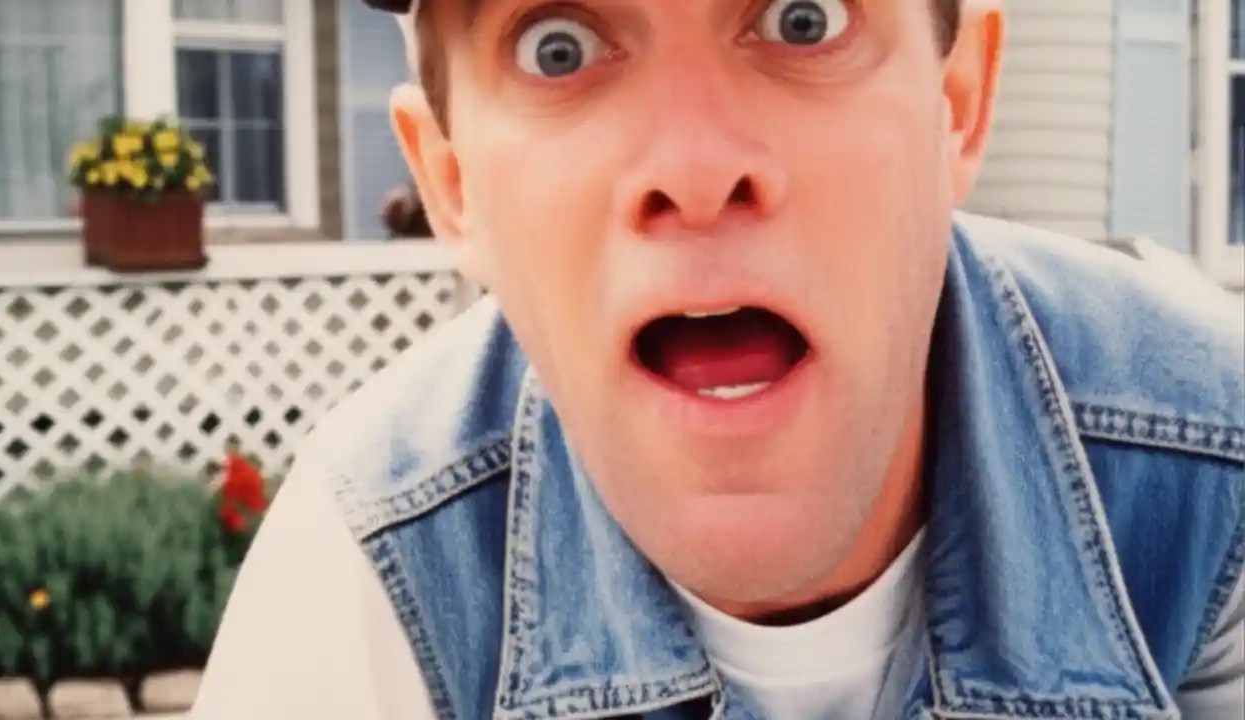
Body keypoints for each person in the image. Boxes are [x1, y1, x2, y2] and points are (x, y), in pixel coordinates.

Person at [191, 0, 1245, 717]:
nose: (695, 170)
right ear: (452, 185)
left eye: (802, 17)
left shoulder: (1212, 474)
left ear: (954, 101)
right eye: (555, 43)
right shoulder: (372, 571)